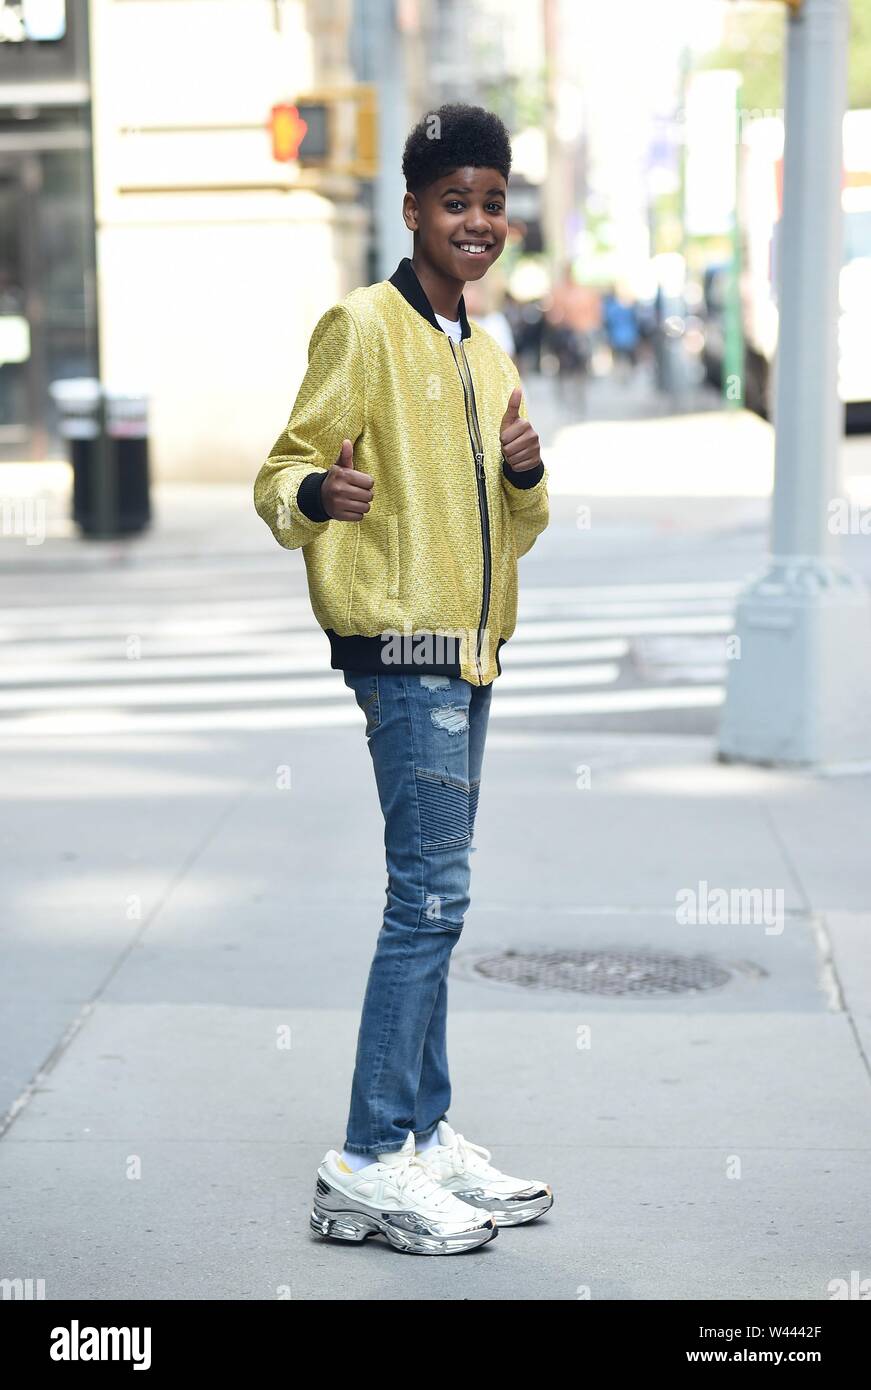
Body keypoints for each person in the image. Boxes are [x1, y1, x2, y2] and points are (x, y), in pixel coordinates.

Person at [253, 103, 553, 1257]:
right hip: (404, 650)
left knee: (437, 895)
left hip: (472, 653)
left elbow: (512, 533)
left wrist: (525, 477)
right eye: (454, 201)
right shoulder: (362, 326)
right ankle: (369, 1158)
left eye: (492, 201)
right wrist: (318, 498)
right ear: (414, 210)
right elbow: (281, 472)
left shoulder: (487, 352)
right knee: (427, 899)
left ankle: (422, 1137)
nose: (476, 221)